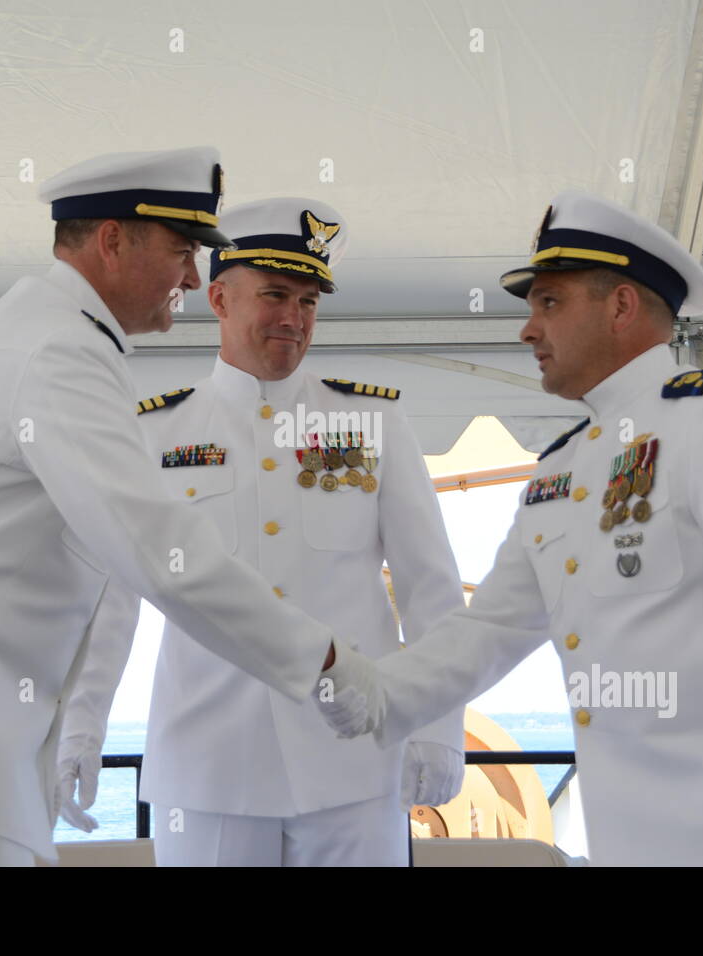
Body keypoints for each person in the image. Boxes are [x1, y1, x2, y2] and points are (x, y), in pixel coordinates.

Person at [0, 147, 371, 866]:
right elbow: (158, 552)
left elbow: (103, 568)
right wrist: (328, 660)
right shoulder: (58, 351)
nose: (192, 276)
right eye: (183, 250)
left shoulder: (43, 331)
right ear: (112, 241)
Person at [319, 190, 703, 866]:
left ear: (620, 306)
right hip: (630, 838)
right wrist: (372, 690)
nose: (527, 329)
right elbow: (487, 632)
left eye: (549, 303)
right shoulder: (560, 469)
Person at [58, 198, 467, 866]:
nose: (293, 318)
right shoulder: (156, 434)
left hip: (356, 767)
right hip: (210, 767)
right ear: (218, 298)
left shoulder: (372, 424)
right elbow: (112, 597)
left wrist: (440, 728)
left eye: (308, 301)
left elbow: (432, 591)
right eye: (276, 294)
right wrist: (79, 725)